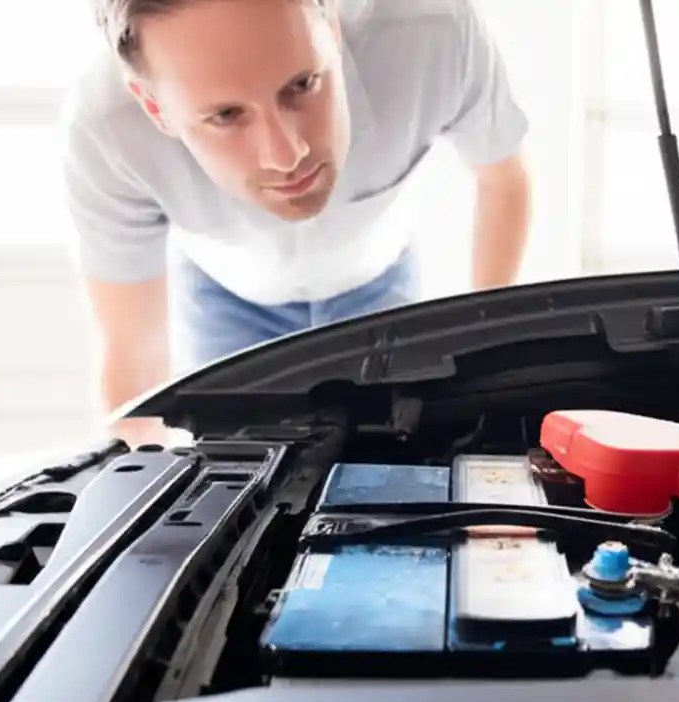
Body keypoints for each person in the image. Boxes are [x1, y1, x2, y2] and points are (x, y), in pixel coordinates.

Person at [62, 0, 531, 444]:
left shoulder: (434, 31)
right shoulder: (106, 131)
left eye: (303, 84)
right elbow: (132, 358)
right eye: (226, 115)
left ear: (332, 27)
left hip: (379, 283)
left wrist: (484, 356)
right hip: (226, 301)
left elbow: (504, 181)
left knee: (402, 458)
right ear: (153, 107)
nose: (288, 157)